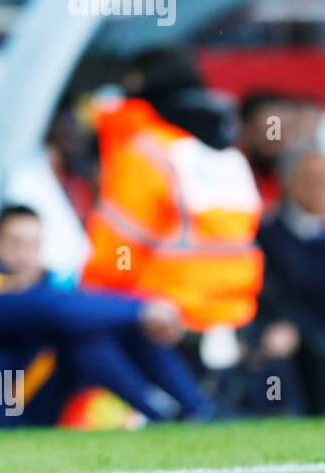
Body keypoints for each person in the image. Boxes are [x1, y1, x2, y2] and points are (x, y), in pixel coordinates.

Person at [0, 204, 213, 428]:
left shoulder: (35, 284)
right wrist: (142, 309)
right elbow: (49, 309)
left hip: (32, 398)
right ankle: (163, 416)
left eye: (34, 246)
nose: (25, 256)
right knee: (82, 332)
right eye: (15, 244)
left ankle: (199, 410)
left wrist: (147, 313)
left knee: (113, 325)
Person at [80, 50, 264, 373]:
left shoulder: (147, 150)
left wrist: (92, 304)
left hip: (162, 322)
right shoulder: (228, 156)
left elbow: (117, 250)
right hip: (232, 314)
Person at [248, 142, 325, 414]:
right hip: (290, 329)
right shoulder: (267, 234)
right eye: (311, 181)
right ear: (289, 183)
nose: (319, 190)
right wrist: (287, 325)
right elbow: (270, 292)